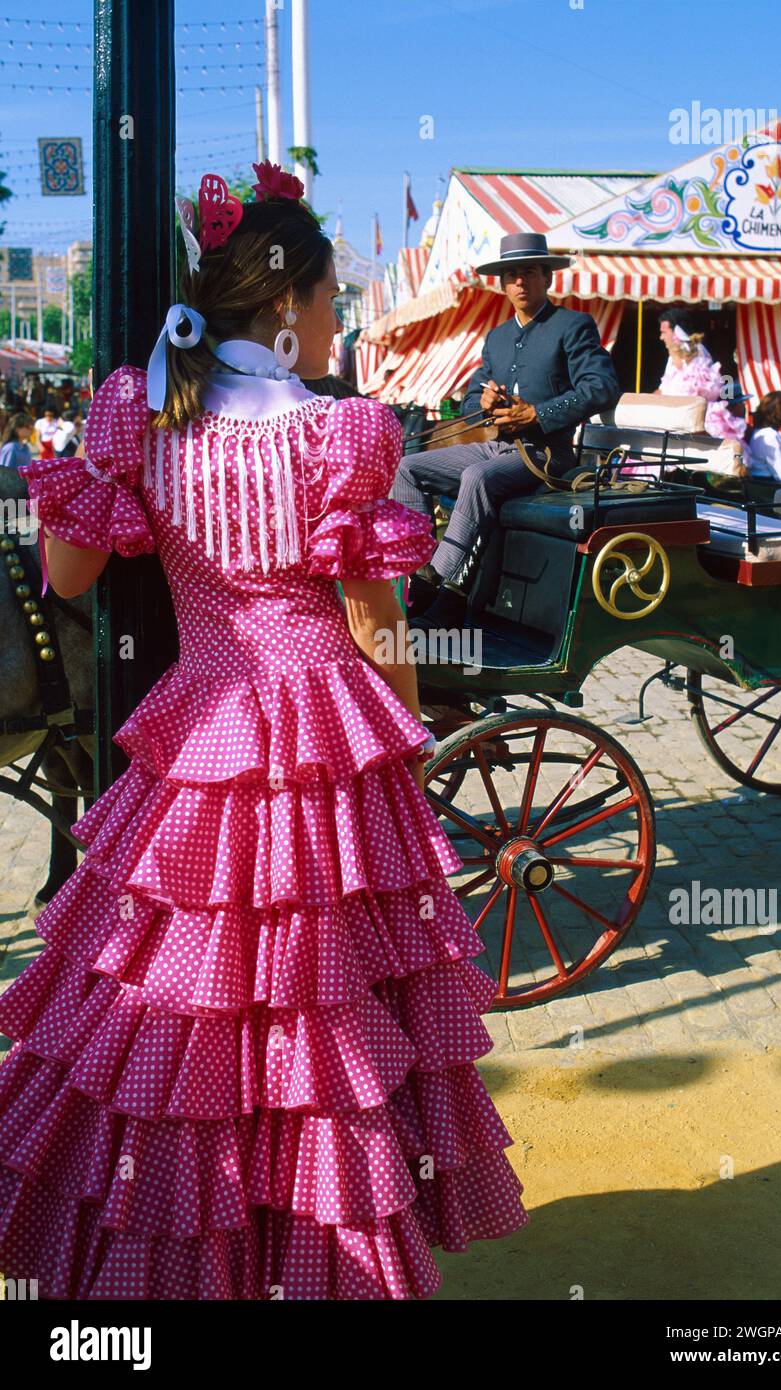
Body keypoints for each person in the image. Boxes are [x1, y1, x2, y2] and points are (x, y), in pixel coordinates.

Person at [0, 161, 528, 1301]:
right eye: (335, 296)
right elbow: (374, 618)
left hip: (200, 733)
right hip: (325, 744)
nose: (341, 318)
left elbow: (69, 574)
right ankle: (312, 1249)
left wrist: (102, 464)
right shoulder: (338, 433)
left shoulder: (148, 419)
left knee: (180, 997)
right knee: (320, 1009)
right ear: (286, 305)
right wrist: (408, 736)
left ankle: (181, 1250)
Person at [390, 232, 621, 627]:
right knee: (406, 468)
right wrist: (481, 403)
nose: (520, 282)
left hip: (548, 457)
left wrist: (538, 414)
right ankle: (418, 566)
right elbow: (468, 402)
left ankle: (437, 584)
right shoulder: (497, 338)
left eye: (529, 272)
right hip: (496, 449)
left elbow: (601, 387)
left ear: (547, 278)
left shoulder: (573, 326)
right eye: (512, 274)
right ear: (501, 283)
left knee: (476, 476)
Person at [656, 308, 747, 442]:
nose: (661, 337)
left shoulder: (695, 352)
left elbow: (701, 390)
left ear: (676, 332)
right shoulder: (673, 358)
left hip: (693, 417)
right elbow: (664, 388)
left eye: (664, 332)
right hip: (675, 415)